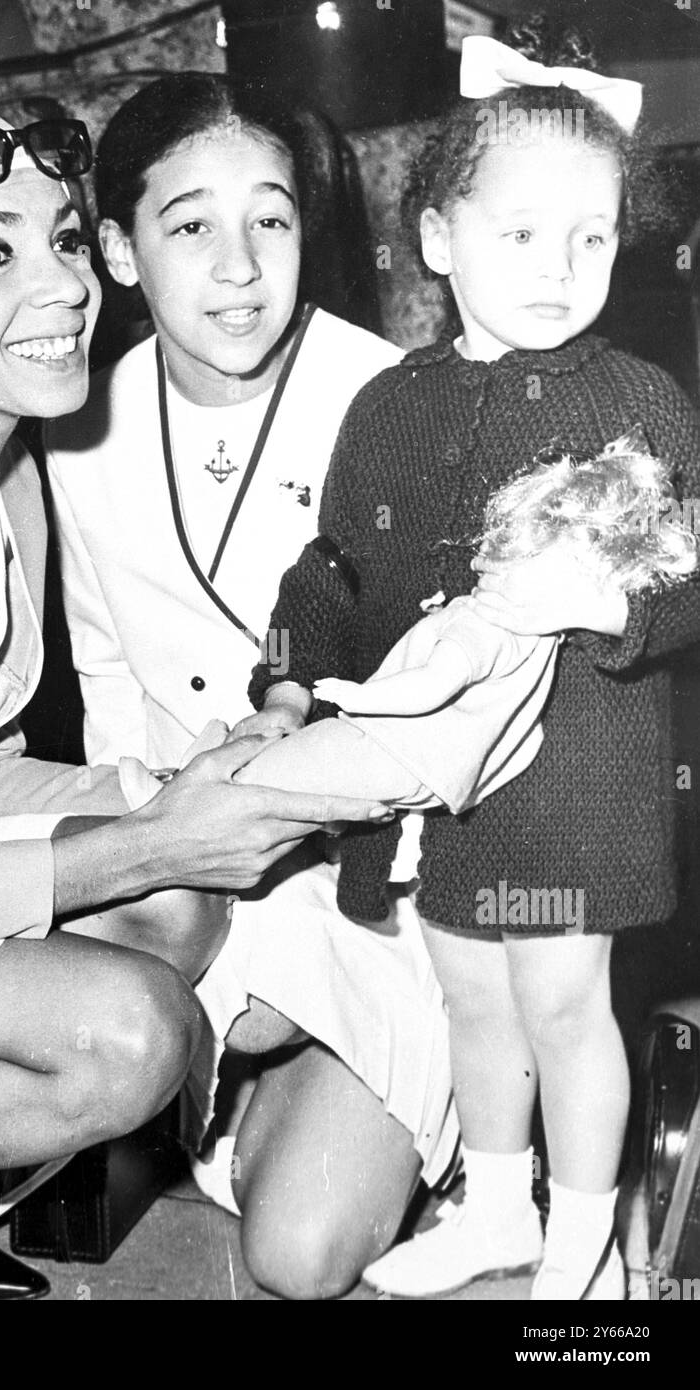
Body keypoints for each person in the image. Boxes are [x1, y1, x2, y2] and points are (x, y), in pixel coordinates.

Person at [0, 77, 385, 1212]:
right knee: (134, 1038)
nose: (67, 284)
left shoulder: (8, 474)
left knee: (186, 902)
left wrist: (169, 791)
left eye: (60, 238)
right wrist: (141, 845)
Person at [249, 19, 700, 1301]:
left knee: (566, 1003)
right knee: (475, 997)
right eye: (519, 235)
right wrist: (289, 673)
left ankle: (586, 1237)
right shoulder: (390, 404)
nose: (560, 268)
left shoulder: (644, 404)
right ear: (438, 238)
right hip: (452, 779)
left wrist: (614, 608)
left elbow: (693, 568)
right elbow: (331, 568)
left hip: (585, 770)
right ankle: (499, 1207)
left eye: (592, 238)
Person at [47, 70, 458, 1300]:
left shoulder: (390, 400)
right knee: (126, 954)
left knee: (297, 1260)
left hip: (381, 881)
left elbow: (448, 703)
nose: (238, 266)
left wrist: (296, 777)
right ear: (120, 251)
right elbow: (107, 674)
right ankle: (212, 1073)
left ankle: (324, 1084)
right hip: (191, 868)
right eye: (190, 227)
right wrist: (166, 809)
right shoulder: (78, 421)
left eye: (269, 219)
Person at [121, 436, 696, 814]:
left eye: (502, 554)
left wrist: (350, 696)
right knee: (271, 767)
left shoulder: (492, 619)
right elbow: (319, 578)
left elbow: (433, 684)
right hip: (410, 760)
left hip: (387, 745)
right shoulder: (385, 406)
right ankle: (182, 780)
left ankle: (171, 801)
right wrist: (283, 686)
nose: (479, 562)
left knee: (268, 783)